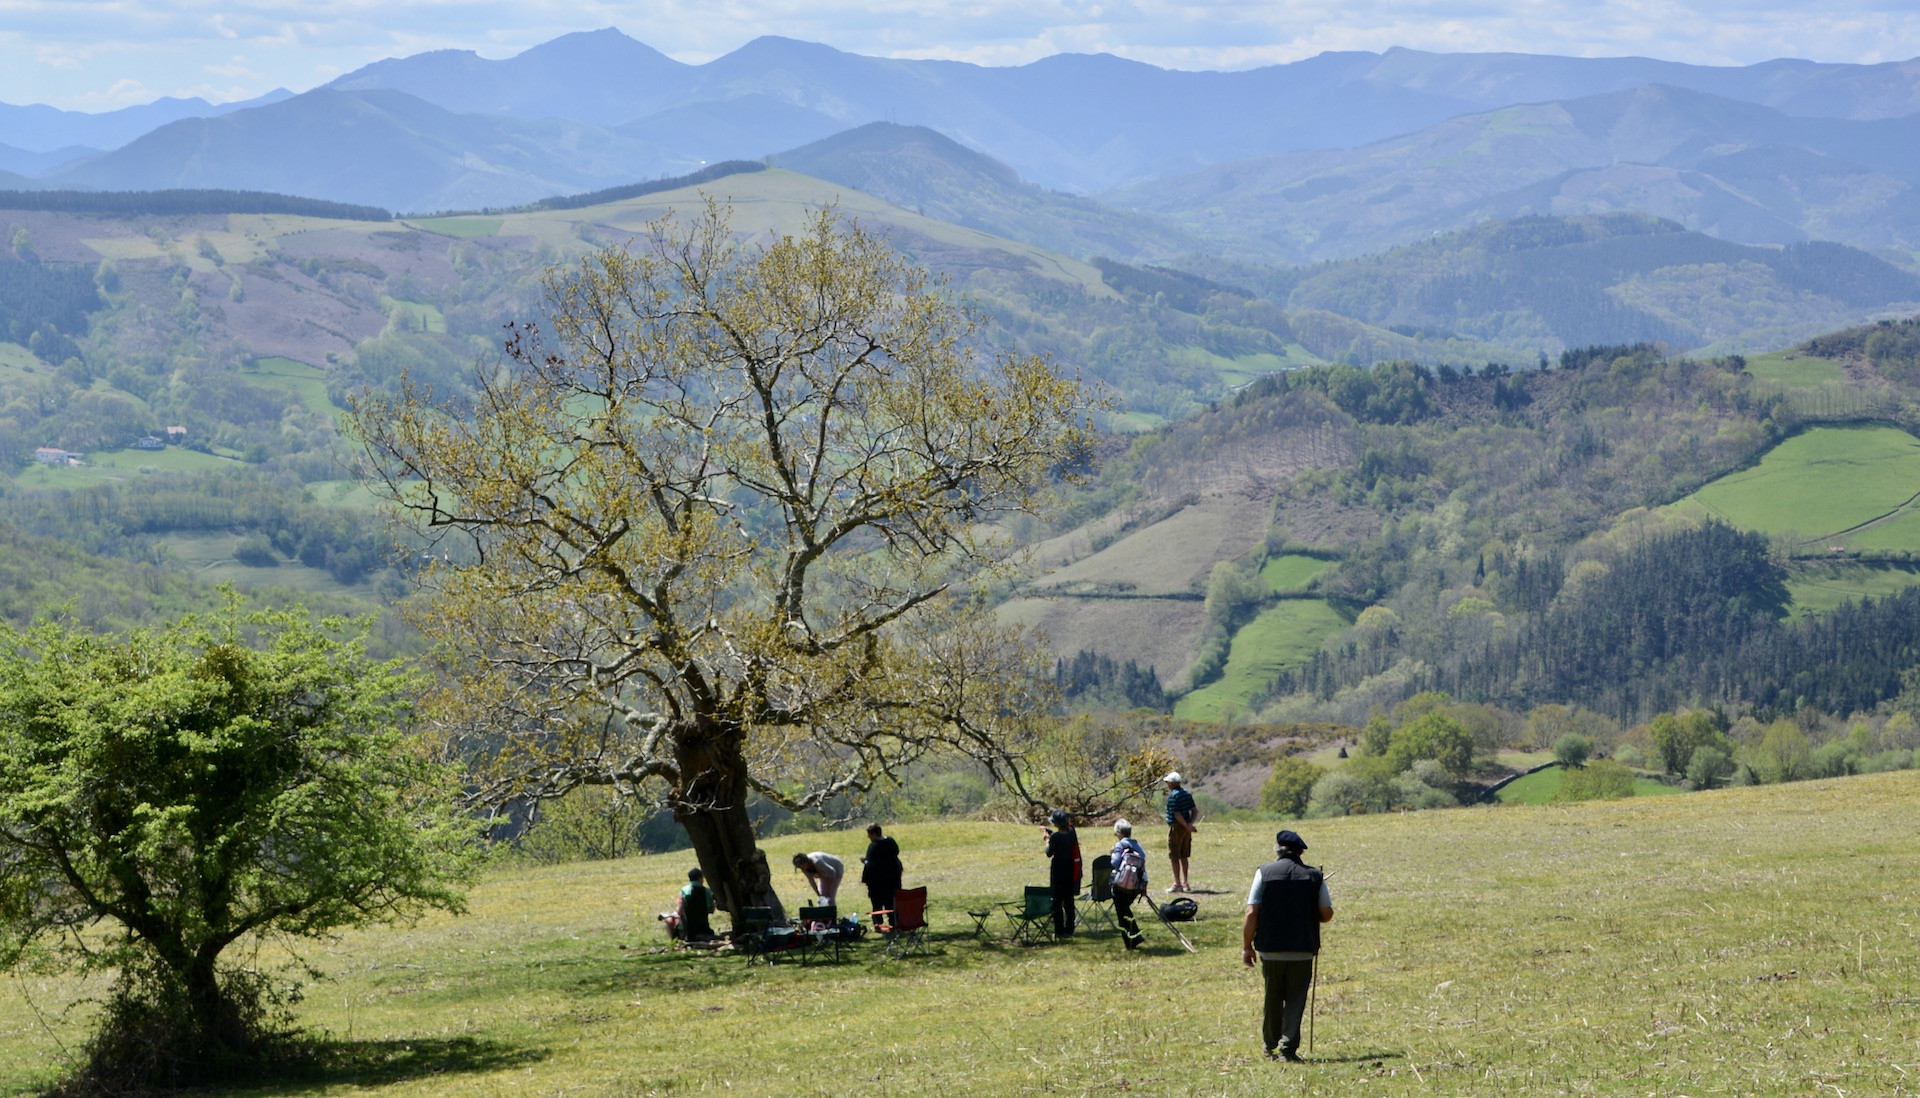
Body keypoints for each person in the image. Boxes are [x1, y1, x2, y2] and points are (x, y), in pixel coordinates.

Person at [1241, 829, 1334, 1062]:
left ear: (1277, 850)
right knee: (1296, 999)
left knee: (1272, 997)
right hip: (1302, 948)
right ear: (1300, 852)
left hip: (1270, 948)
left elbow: (1252, 912)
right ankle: (1288, 1049)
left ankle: (1269, 1045)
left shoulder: (1264, 872)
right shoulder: (1314, 876)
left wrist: (1246, 946)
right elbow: (1326, 914)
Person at [1108, 818, 1148, 950]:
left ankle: (1132, 941)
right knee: (1126, 910)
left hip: (1120, 885)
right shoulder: (1138, 847)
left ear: (1119, 833)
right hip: (1135, 886)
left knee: (1122, 915)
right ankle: (1135, 937)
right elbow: (1142, 866)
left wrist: (1112, 853)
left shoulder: (1120, 845)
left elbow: (1114, 863)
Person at [1042, 808, 1081, 938]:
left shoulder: (1054, 837)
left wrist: (1047, 839)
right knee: (1069, 901)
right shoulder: (1072, 833)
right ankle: (1069, 929)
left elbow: (1049, 853)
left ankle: (1059, 930)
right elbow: (1064, 835)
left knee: (1057, 902)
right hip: (1070, 869)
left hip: (1058, 870)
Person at [861, 823, 903, 928]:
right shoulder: (891, 842)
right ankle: (894, 922)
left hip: (877, 882)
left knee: (877, 904)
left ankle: (878, 924)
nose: (868, 837)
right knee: (892, 903)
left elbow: (870, 864)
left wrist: (865, 865)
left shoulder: (874, 846)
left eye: (869, 834)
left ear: (874, 834)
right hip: (893, 880)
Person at [1163, 771, 1198, 892]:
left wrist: (1186, 825)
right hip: (1186, 828)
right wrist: (1189, 824)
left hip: (1176, 827)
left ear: (1172, 783)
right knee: (1184, 855)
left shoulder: (1173, 796)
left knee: (1174, 856)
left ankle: (1177, 883)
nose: (1167, 784)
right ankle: (1185, 882)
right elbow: (1194, 810)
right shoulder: (1186, 794)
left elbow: (1176, 814)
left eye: (1168, 782)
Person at [676, 867, 716, 941]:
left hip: (689, 932)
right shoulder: (707, 891)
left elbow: (679, 912)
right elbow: (711, 910)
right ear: (700, 878)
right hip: (704, 929)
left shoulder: (683, 891)